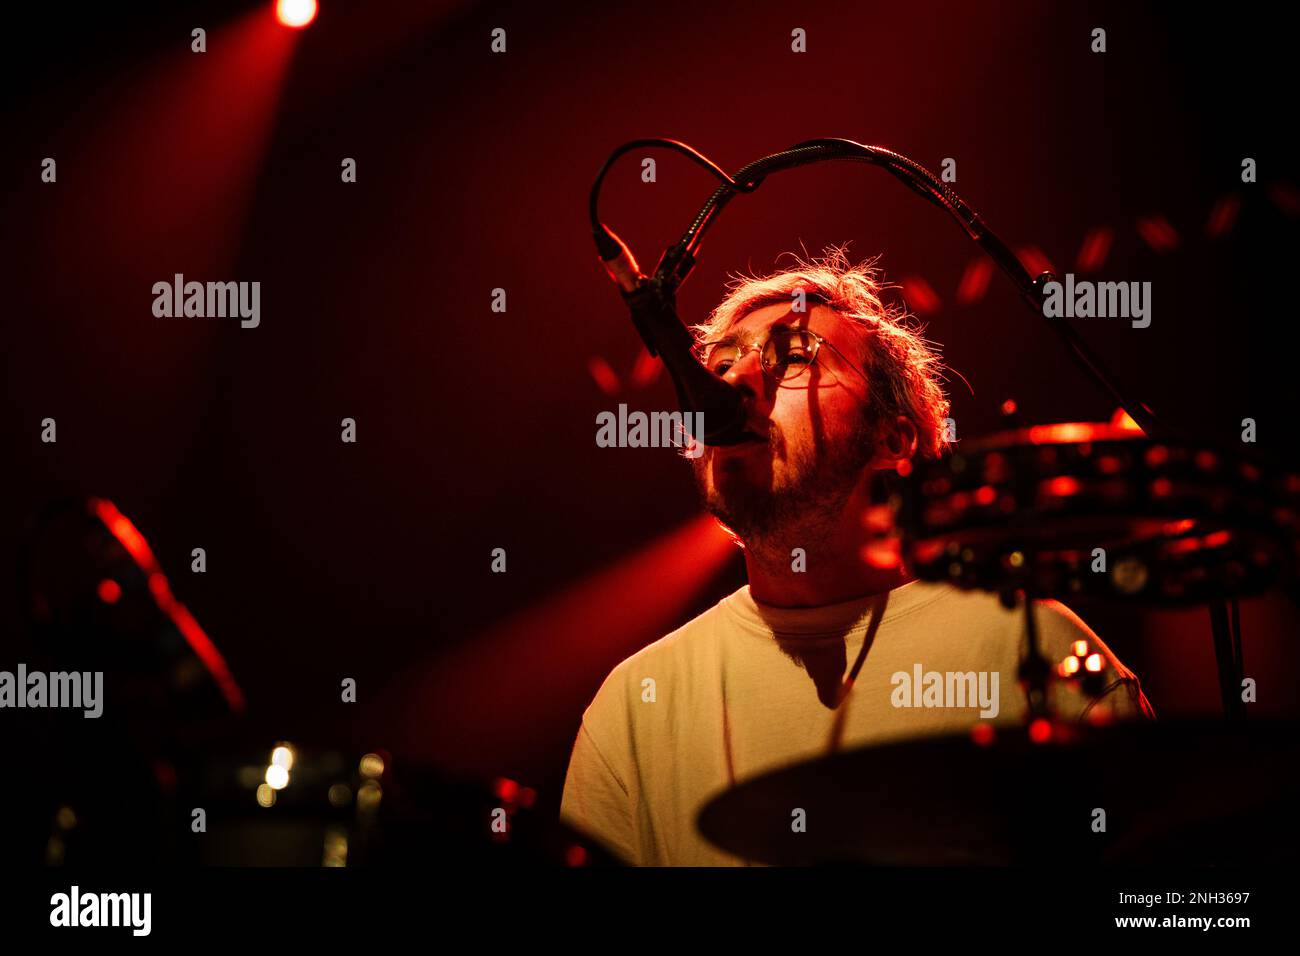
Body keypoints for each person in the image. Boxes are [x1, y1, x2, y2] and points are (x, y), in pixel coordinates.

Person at [561, 244, 1153, 866]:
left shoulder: (1035, 648)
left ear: (893, 437)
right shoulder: (634, 703)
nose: (736, 383)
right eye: (720, 367)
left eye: (792, 356)